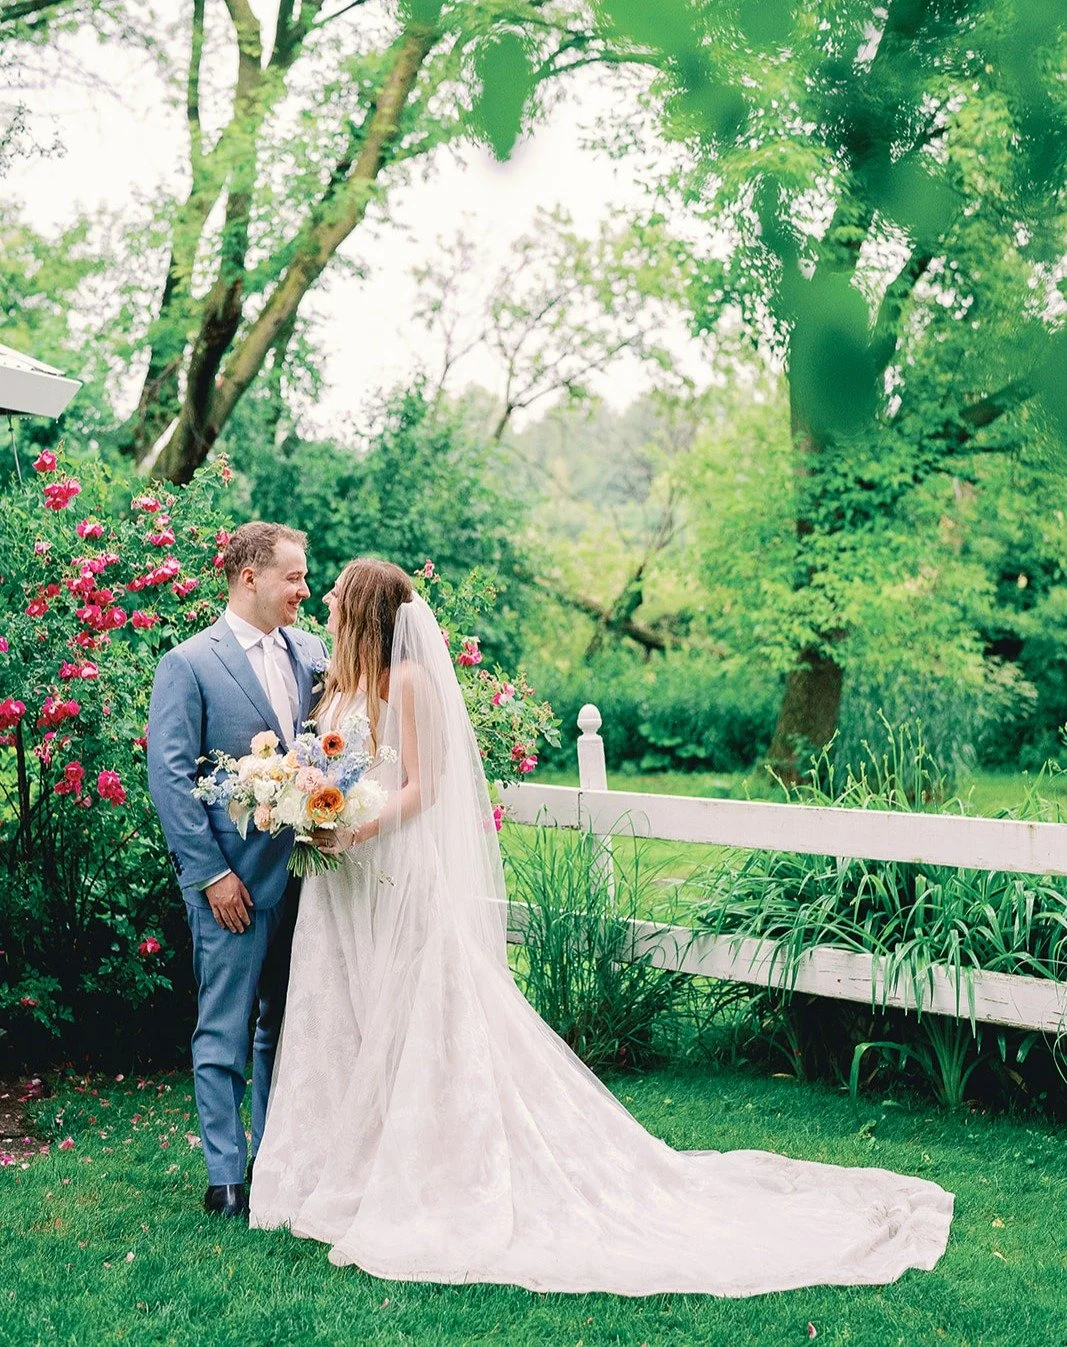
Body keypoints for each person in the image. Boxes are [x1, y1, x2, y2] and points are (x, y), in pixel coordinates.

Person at [249, 556, 954, 1295]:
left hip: (392, 869)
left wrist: (356, 827)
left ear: (361, 606)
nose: (323, 598)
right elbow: (327, 771)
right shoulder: (341, 683)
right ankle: (349, 1164)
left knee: (424, 1018)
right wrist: (304, 810)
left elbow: (428, 787)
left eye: (333, 592)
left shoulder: (413, 682)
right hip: (345, 887)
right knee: (353, 1016)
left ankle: (433, 1163)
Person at [147, 522, 328, 1220]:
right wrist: (211, 876)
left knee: (285, 1023)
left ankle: (276, 1160)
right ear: (248, 577)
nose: (303, 590)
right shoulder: (189, 663)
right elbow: (169, 777)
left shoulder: (311, 652)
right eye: (293, 577)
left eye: (306, 577)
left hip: (308, 879)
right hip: (233, 886)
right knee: (223, 1030)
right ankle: (225, 1176)